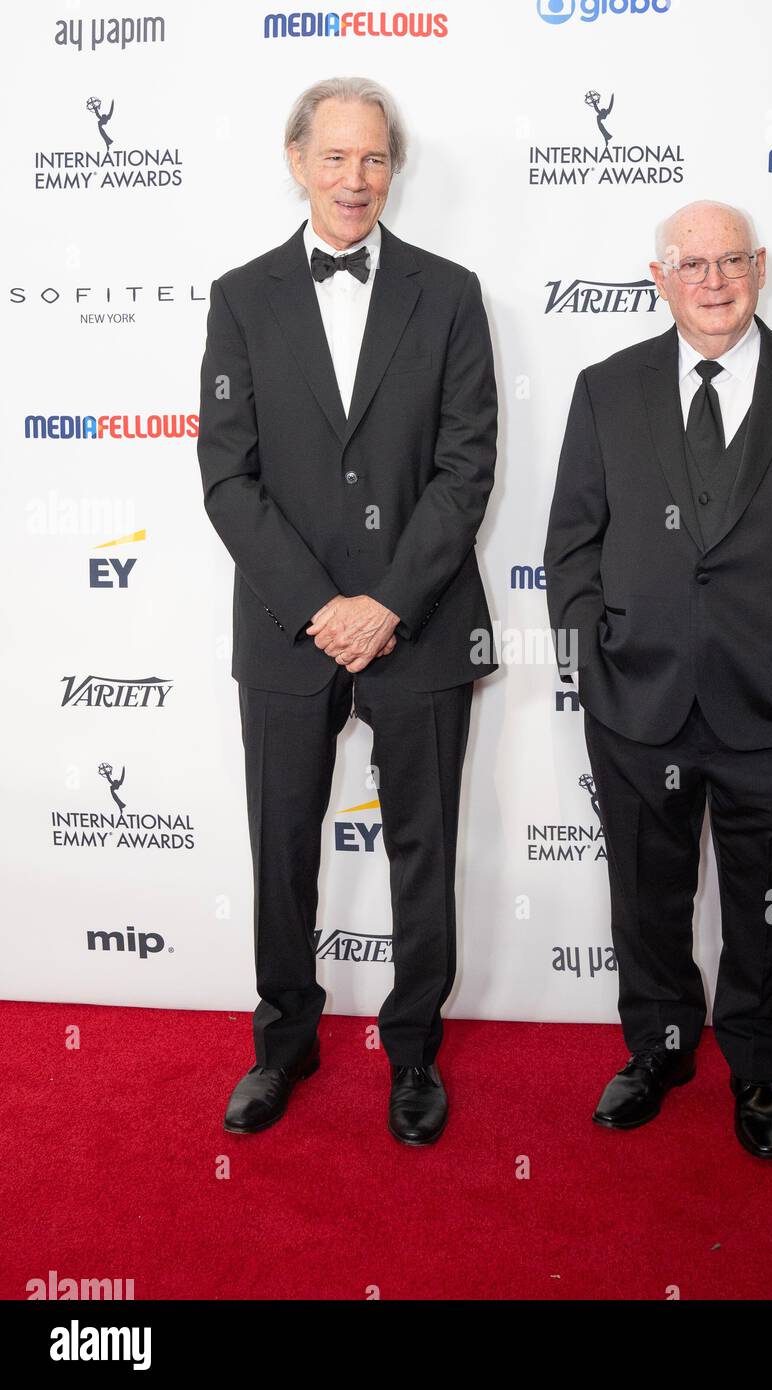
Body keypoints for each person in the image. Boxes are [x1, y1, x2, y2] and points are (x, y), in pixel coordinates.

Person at [544, 200, 772, 1158]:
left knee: (765, 904)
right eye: (689, 263)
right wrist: (591, 652)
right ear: (659, 277)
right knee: (645, 898)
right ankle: (656, 1053)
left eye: (729, 259)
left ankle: (757, 1071)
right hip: (636, 703)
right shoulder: (605, 389)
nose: (711, 279)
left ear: (760, 266)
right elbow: (569, 542)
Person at [197, 76, 497, 1145]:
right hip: (287, 627)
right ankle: (283, 1043)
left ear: (392, 169)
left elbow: (466, 469)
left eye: (373, 159)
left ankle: (413, 1050)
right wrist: (324, 605)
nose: (355, 179)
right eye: (335, 157)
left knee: (425, 845)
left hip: (417, 621)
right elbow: (228, 479)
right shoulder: (240, 296)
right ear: (296, 161)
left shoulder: (452, 292)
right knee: (282, 847)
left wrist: (388, 605)